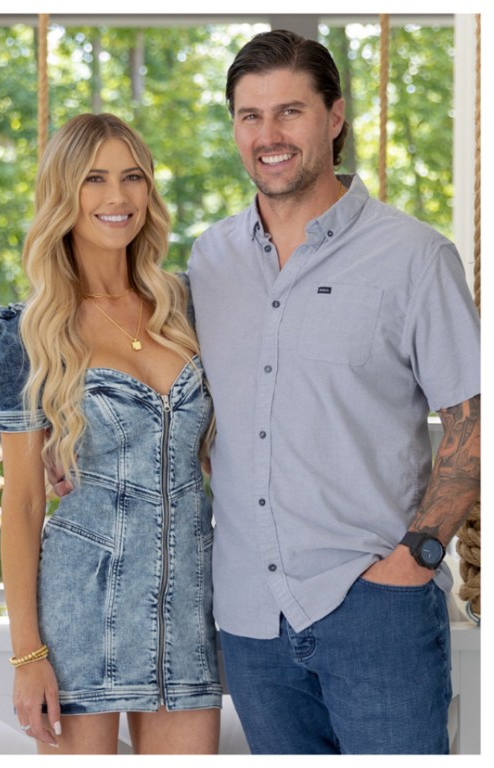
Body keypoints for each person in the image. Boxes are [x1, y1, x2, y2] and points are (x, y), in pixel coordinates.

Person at [186, 30, 480, 754]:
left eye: (290, 111)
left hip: (376, 609)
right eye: (250, 115)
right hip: (249, 619)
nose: (269, 135)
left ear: (336, 116)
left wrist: (418, 554)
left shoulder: (414, 257)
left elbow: (477, 421)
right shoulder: (209, 259)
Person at [0, 113, 221, 755]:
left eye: (132, 178)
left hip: (185, 611)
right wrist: (27, 655)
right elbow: (21, 504)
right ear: (63, 193)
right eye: (94, 179)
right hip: (80, 611)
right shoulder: (25, 333)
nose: (116, 197)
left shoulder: (185, 306)